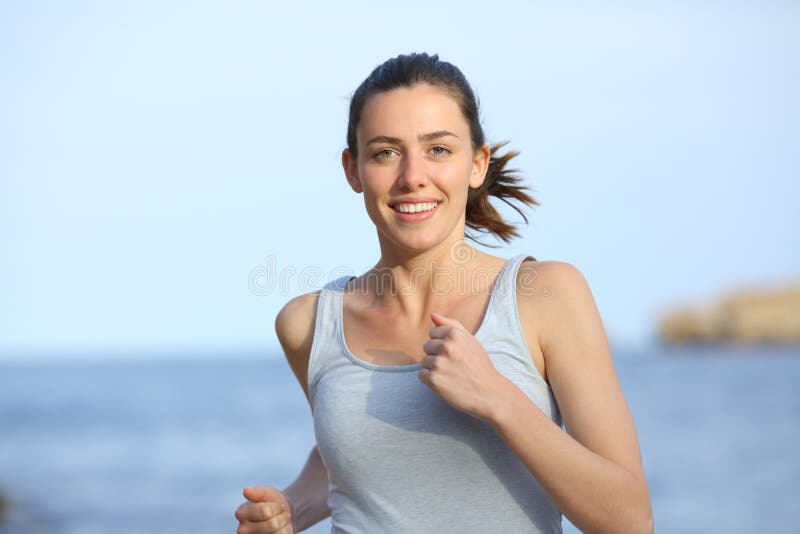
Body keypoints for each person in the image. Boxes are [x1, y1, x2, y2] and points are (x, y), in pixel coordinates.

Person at [235, 52, 653, 534]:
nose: (412, 175)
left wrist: (500, 398)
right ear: (353, 170)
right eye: (385, 152)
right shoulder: (307, 324)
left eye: (438, 149)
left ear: (477, 163)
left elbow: (630, 521)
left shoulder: (545, 297)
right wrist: (291, 507)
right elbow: (346, 455)